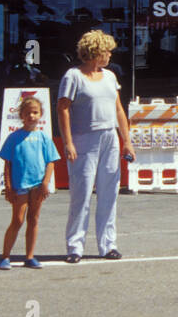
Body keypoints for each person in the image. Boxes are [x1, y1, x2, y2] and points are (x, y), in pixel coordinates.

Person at [57, 30, 134, 263]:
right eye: (107, 51)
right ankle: (75, 246)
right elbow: (63, 108)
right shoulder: (73, 76)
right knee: (81, 194)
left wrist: (126, 140)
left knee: (109, 192)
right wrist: (68, 142)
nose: (110, 55)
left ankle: (108, 244)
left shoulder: (110, 76)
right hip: (84, 138)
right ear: (95, 52)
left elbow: (118, 108)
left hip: (109, 136)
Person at [0, 97, 59, 269]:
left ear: (41, 114)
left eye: (35, 112)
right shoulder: (14, 137)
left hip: (38, 186)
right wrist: (8, 187)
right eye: (28, 113)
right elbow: (7, 163)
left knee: (33, 219)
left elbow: (51, 162)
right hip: (20, 186)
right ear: (21, 115)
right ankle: (5, 256)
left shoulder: (43, 138)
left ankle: (30, 256)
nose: (32, 116)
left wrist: (45, 183)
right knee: (17, 220)